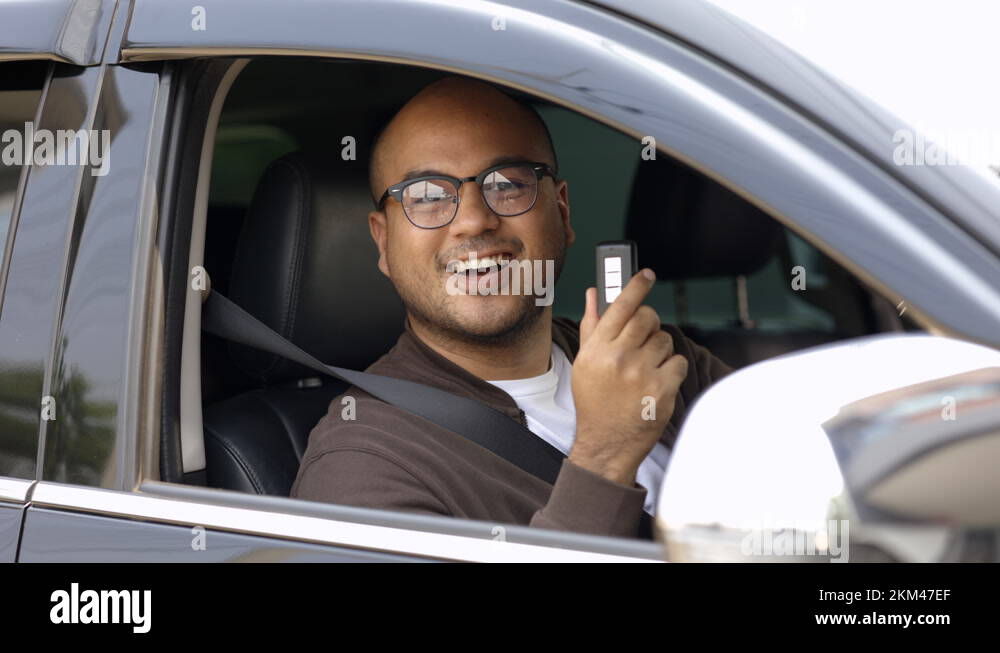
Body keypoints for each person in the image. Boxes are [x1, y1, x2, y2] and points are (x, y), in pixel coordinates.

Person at [290, 76, 731, 539]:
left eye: (508, 185)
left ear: (562, 213)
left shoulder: (649, 358)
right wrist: (603, 456)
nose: (475, 220)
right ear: (383, 241)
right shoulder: (361, 460)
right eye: (426, 196)